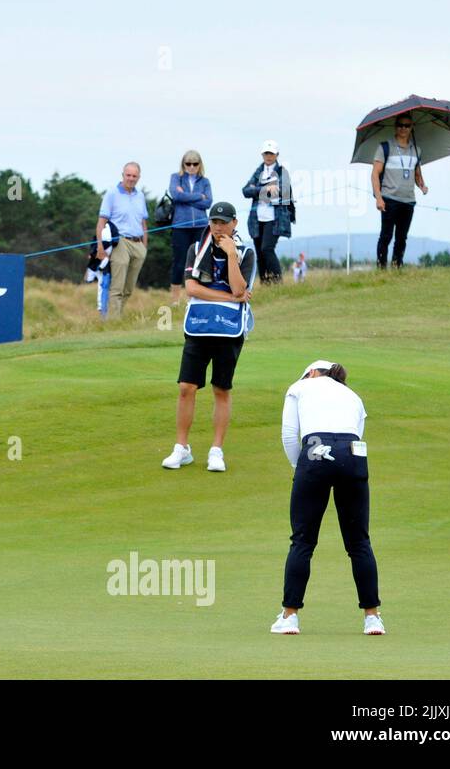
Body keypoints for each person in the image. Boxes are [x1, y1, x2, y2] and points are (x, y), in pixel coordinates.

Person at [270, 360, 384, 635]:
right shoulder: (353, 396)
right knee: (359, 542)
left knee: (303, 540)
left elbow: (289, 435)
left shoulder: (299, 387)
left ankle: (289, 616)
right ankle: (373, 617)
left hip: (314, 452)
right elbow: (355, 436)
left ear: (310, 373)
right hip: (353, 454)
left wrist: (303, 470)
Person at [161, 201, 255, 473]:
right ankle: (182, 448)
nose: (217, 227)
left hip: (228, 329)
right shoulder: (196, 249)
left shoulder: (246, 252)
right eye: (214, 222)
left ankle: (216, 450)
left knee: (221, 389)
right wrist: (226, 296)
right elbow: (191, 288)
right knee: (185, 387)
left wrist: (231, 256)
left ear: (234, 224)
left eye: (223, 222)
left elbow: (240, 289)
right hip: (200, 325)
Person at [372, 115, 428, 269]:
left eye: (407, 125)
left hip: (408, 201)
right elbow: (375, 174)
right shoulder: (385, 147)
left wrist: (422, 186)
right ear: (395, 127)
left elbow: (417, 175)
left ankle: (397, 267)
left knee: (402, 238)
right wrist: (378, 198)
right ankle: (381, 268)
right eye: (400, 125)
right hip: (389, 199)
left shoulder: (417, 150)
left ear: (412, 128)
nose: (403, 128)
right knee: (386, 236)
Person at [95, 162, 147, 318]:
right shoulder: (111, 194)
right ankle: (113, 321)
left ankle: (117, 317)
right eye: (128, 175)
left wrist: (145, 247)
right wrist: (100, 247)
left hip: (138, 243)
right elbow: (101, 223)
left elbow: (144, 223)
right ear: (123, 175)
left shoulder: (140, 196)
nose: (131, 179)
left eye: (134, 176)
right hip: (120, 241)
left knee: (129, 288)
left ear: (138, 177)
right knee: (117, 286)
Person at [242, 141, 293, 284]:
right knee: (259, 252)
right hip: (257, 219)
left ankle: (278, 282)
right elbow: (246, 190)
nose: (268, 156)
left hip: (274, 219)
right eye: (266, 153)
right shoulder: (259, 171)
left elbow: (284, 192)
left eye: (271, 153)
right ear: (262, 155)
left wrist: (257, 189)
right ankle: (265, 283)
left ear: (277, 155)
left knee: (267, 249)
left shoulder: (282, 172)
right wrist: (265, 189)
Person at [168, 150, 213, 304]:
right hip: (180, 226)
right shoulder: (176, 178)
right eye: (188, 163)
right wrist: (199, 196)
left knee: (198, 261)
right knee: (179, 261)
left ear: (200, 164)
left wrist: (185, 196)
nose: (192, 167)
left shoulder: (205, 181)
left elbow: (208, 203)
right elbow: (176, 195)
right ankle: (175, 300)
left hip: (200, 225)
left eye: (195, 163)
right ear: (183, 164)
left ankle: (194, 297)